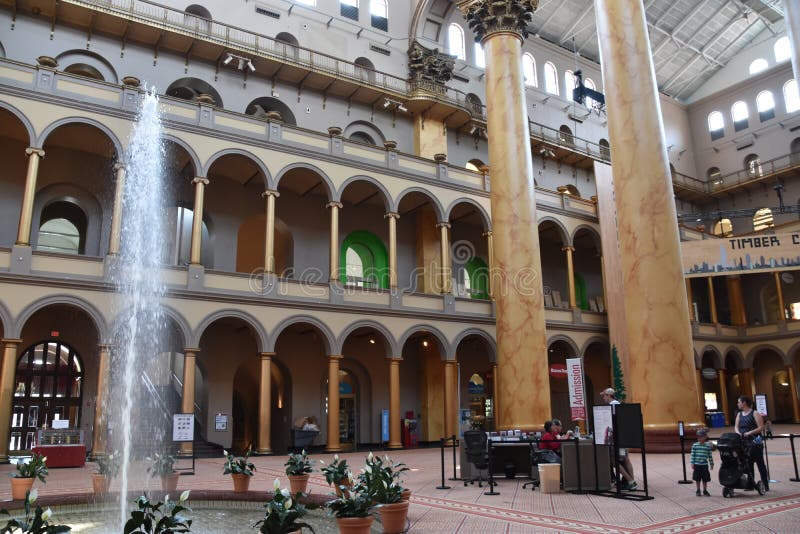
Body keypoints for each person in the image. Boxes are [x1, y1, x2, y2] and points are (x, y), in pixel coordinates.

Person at [600, 387, 638, 491]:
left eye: (604, 395)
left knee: (614, 460)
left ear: (609, 395)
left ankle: (630, 481)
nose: (603, 398)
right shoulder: (618, 404)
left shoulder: (612, 406)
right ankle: (631, 482)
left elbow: (610, 423)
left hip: (615, 437)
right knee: (625, 459)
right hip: (622, 436)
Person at [734, 395, 769, 491]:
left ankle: (765, 484)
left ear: (744, 403)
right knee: (747, 463)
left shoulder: (755, 413)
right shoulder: (739, 414)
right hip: (744, 441)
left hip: (755, 441)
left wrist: (749, 433)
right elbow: (736, 427)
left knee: (759, 462)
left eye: (739, 402)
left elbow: (761, 427)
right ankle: (750, 484)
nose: (738, 404)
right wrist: (738, 433)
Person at [690, 427, 714, 496]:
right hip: (697, 465)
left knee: (705, 478)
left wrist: (711, 464)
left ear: (705, 437)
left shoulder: (707, 446)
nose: (699, 439)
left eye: (701, 437)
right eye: (698, 437)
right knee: (697, 478)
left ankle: (705, 490)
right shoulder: (695, 445)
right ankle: (698, 490)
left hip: (704, 465)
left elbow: (710, 456)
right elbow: (693, 454)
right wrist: (692, 463)